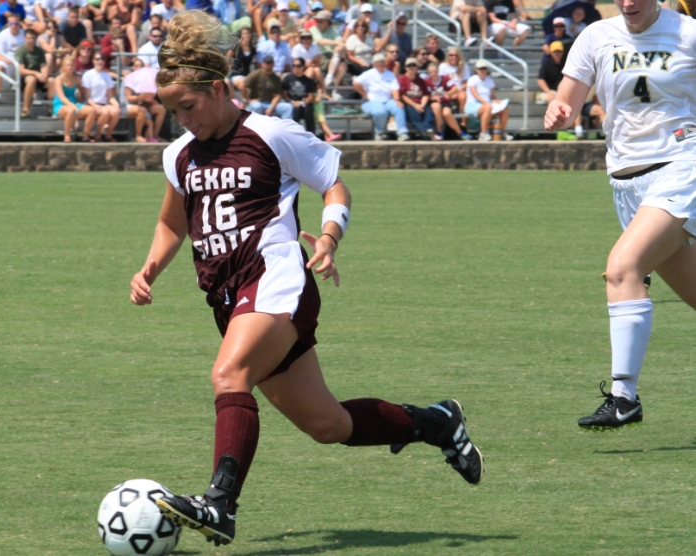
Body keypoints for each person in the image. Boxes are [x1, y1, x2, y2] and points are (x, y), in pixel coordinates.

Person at [136, 10, 483, 547]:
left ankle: (219, 505)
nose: (183, 119)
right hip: (229, 298)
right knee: (328, 426)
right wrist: (150, 268)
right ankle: (436, 423)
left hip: (277, 280)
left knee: (228, 376)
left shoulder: (271, 134)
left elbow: (335, 186)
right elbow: (170, 223)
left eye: (188, 106)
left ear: (220, 89)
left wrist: (327, 237)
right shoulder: (178, 155)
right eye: (173, 111)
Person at [544, 0, 696, 431]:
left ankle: (624, 397)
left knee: (622, 269)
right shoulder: (595, 36)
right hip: (626, 182)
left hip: (682, 166)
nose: (628, 3)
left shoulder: (688, 33)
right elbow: (567, 101)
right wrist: (560, 110)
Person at [353, 51, 408, 141]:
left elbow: (395, 88)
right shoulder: (369, 74)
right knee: (380, 112)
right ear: (374, 64)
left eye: (381, 62)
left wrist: (397, 100)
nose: (380, 64)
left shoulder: (390, 74)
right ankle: (379, 132)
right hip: (372, 101)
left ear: (385, 63)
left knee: (399, 107)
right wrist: (365, 95)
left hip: (387, 100)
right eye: (377, 63)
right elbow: (356, 82)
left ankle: (402, 132)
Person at [52, 53, 96, 141]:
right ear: (64, 66)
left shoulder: (77, 79)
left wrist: (81, 99)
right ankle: (67, 136)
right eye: (68, 65)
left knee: (92, 110)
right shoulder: (59, 79)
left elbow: (83, 94)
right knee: (71, 110)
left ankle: (85, 135)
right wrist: (73, 106)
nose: (70, 67)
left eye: (72, 65)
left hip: (74, 103)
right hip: (60, 105)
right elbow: (62, 97)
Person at [5, 27, 47, 116]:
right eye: (29, 38)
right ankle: (26, 108)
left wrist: (44, 74)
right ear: (25, 38)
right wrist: (36, 73)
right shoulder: (21, 50)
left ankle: (51, 108)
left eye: (33, 38)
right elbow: (21, 70)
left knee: (52, 81)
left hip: (38, 76)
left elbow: (43, 65)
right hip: (24, 77)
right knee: (32, 79)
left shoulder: (39, 51)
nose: (31, 40)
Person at [123, 56, 166, 141]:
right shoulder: (129, 78)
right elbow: (128, 98)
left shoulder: (146, 80)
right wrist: (141, 97)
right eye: (137, 66)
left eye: (141, 66)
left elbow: (147, 98)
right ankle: (138, 135)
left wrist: (151, 98)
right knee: (142, 110)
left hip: (141, 105)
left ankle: (155, 135)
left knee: (161, 109)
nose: (139, 68)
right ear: (133, 67)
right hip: (127, 105)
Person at [424, 61, 470, 140]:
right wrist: (433, 98)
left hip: (445, 101)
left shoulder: (445, 78)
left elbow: (455, 88)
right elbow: (426, 95)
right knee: (436, 107)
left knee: (446, 113)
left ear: (438, 71)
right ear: (428, 73)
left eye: (435, 71)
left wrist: (447, 94)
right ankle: (439, 131)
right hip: (435, 102)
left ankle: (460, 132)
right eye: (431, 72)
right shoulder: (427, 82)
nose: (433, 74)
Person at [466, 59, 509, 141]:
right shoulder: (472, 79)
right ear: (476, 70)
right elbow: (476, 96)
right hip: (473, 105)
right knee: (488, 107)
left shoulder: (490, 81)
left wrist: (496, 101)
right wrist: (486, 103)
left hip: (487, 105)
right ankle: (483, 133)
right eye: (480, 68)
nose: (482, 70)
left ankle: (503, 132)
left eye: (484, 68)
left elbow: (492, 97)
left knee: (504, 108)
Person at [81, 49, 118, 140]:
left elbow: (110, 96)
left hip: (104, 103)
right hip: (91, 103)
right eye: (97, 59)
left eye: (102, 59)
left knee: (116, 111)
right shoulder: (88, 75)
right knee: (105, 112)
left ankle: (108, 135)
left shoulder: (107, 75)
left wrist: (116, 105)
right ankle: (98, 135)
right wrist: (95, 106)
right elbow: (86, 96)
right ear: (93, 61)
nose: (100, 61)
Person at [398, 57, 437, 139]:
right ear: (405, 67)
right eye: (409, 65)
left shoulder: (421, 80)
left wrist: (422, 105)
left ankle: (429, 130)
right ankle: (426, 133)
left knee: (429, 111)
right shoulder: (402, 79)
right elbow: (403, 95)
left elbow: (425, 94)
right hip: (409, 104)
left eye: (414, 65)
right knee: (414, 115)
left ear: (417, 67)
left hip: (420, 103)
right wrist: (415, 105)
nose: (412, 67)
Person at [243, 54, 292, 119]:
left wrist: (271, 108)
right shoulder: (257, 74)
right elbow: (242, 85)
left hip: (270, 104)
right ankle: (255, 128)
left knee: (288, 107)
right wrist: (248, 100)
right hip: (257, 102)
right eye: (267, 63)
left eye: (271, 63)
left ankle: (286, 128)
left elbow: (278, 95)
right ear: (263, 64)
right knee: (257, 106)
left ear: (273, 64)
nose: (269, 65)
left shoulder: (276, 78)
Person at [281, 55, 314, 131]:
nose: (295, 67)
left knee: (308, 110)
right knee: (295, 110)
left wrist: (305, 101)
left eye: (298, 66)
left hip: (304, 103)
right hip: (292, 103)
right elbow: (284, 95)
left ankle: (311, 134)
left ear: (303, 67)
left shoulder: (308, 81)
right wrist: (292, 102)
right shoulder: (288, 78)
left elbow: (310, 96)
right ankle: (294, 133)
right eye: (294, 65)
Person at [438, 46, 469, 114]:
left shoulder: (464, 66)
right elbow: (441, 82)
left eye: (456, 55)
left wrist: (457, 90)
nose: (454, 57)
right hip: (447, 90)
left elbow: (466, 83)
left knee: (463, 96)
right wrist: (451, 92)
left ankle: (463, 121)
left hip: (460, 90)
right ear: (448, 56)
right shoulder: (443, 66)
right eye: (451, 55)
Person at [535, 39, 564, 104]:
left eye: (559, 51)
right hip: (548, 92)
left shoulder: (566, 63)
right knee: (554, 99)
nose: (557, 53)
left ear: (563, 52)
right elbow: (540, 80)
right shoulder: (547, 63)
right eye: (555, 51)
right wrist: (549, 92)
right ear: (551, 52)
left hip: (561, 92)